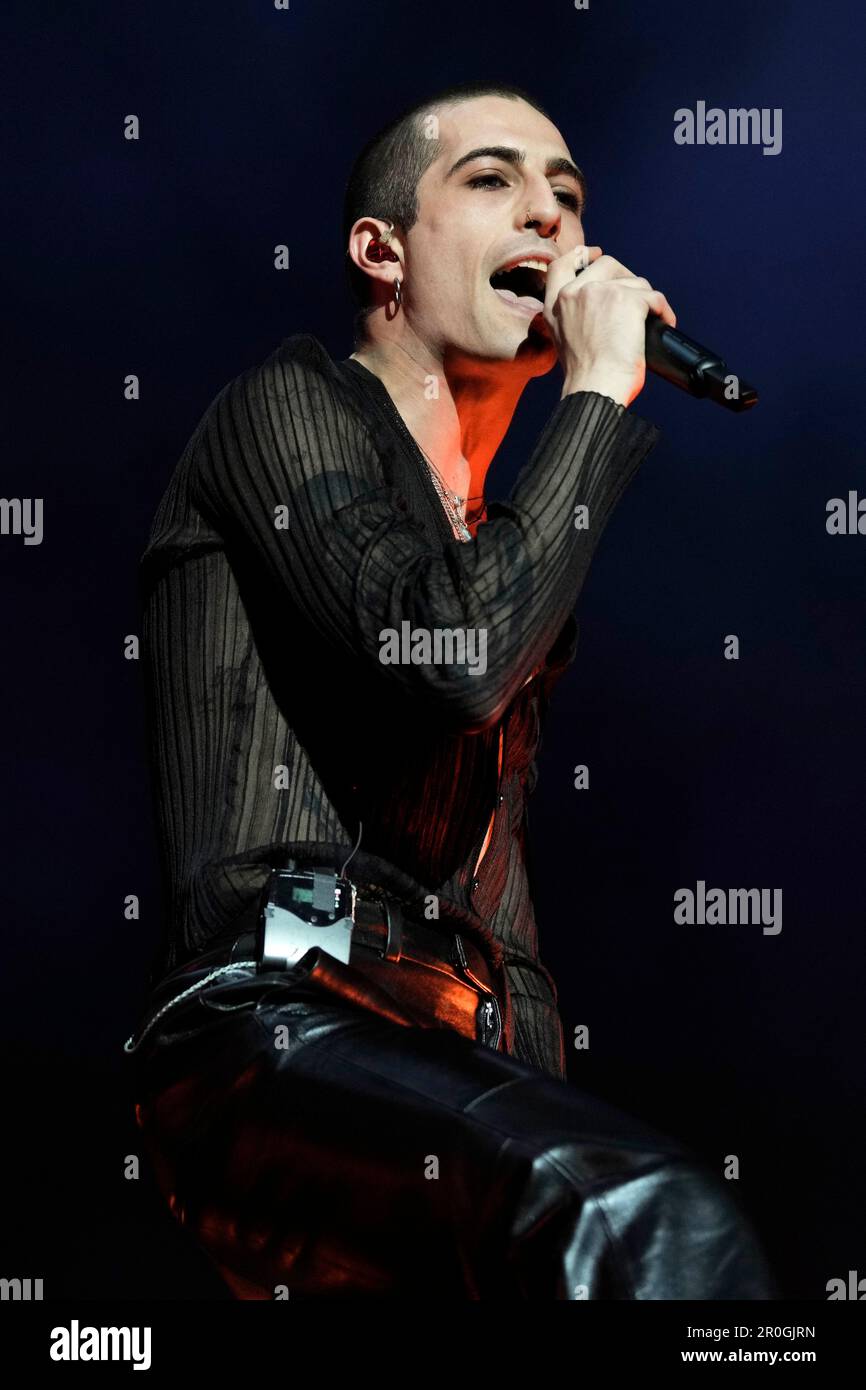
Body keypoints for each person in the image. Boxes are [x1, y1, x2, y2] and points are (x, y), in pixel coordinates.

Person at [123, 81, 778, 1300]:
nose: (547, 217)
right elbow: (450, 660)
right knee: (641, 1217)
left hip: (448, 1068)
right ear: (381, 250)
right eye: (492, 181)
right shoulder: (287, 409)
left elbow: (494, 896)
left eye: (567, 198)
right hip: (272, 1026)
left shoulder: (500, 545)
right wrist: (592, 398)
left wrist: (539, 1090)